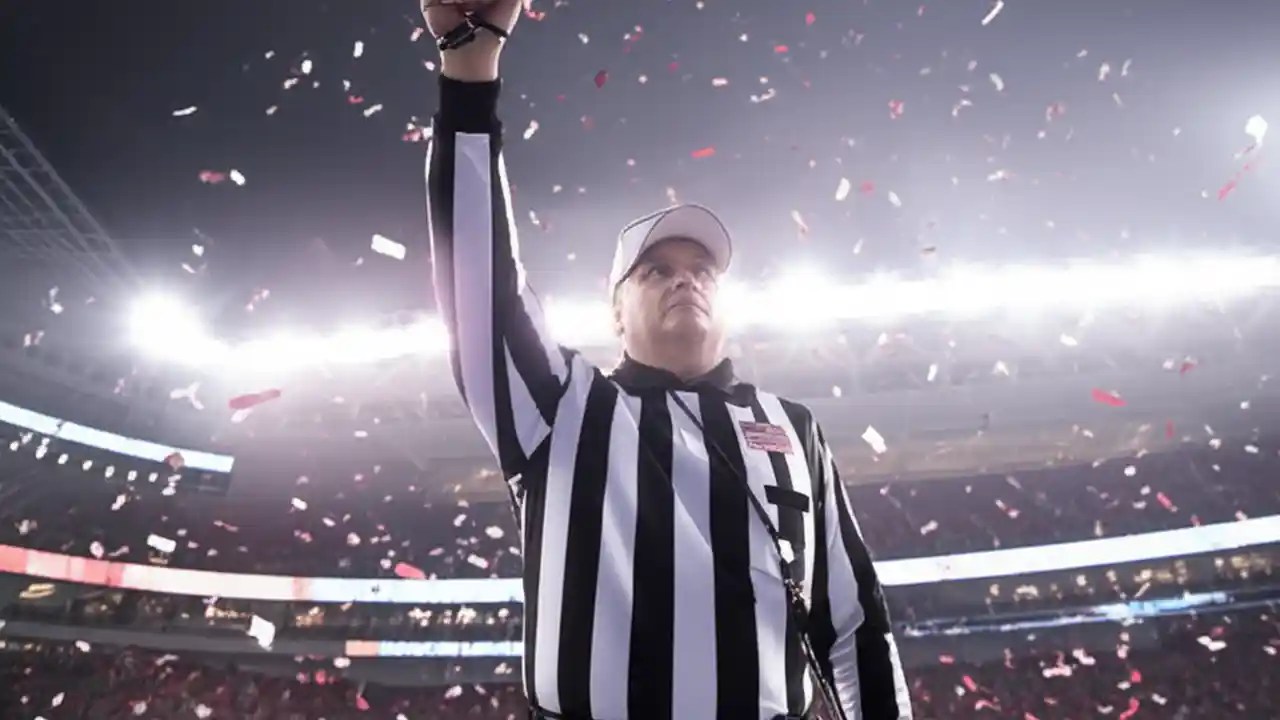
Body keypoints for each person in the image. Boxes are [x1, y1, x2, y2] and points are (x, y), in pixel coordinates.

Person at [421, 1, 912, 718]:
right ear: (615, 311)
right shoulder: (562, 407)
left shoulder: (793, 427)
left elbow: (854, 620)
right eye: (655, 270)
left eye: (703, 270)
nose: (686, 278)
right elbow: (477, 286)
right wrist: (470, 71)